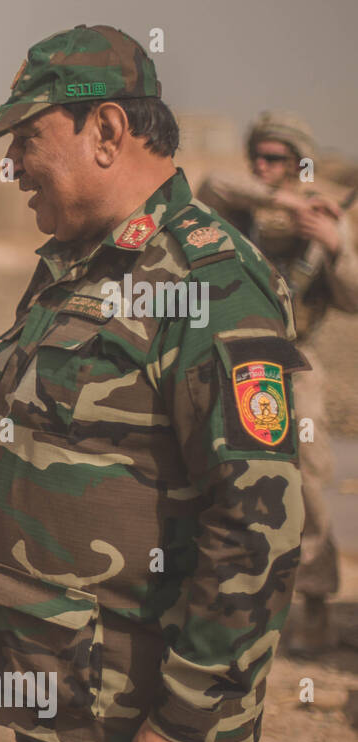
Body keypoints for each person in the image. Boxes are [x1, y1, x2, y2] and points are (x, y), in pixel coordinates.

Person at [0, 25, 305, 742]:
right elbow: (22, 413)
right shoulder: (77, 268)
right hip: (54, 685)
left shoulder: (211, 286)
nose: (11, 168)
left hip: (142, 718)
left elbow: (259, 528)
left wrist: (186, 726)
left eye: (26, 140)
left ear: (107, 132)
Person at [197, 112, 358, 655]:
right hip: (228, 354)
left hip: (294, 360)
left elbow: (354, 298)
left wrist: (334, 245)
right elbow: (212, 185)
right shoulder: (242, 206)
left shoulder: (327, 220)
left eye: (277, 159)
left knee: (309, 473)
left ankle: (313, 601)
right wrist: (289, 203)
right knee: (219, 471)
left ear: (299, 161)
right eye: (259, 157)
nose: (264, 167)